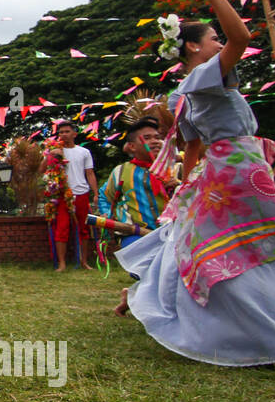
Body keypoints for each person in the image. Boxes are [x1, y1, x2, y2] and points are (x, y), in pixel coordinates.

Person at [116, 0, 275, 366]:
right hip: (241, 175)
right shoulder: (207, 76)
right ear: (192, 46)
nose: (221, 43)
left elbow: (191, 146)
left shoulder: (183, 93)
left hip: (226, 175)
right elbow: (241, 38)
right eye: (213, 39)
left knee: (223, 251)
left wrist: (184, 182)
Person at [96, 117, 180, 315]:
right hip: (136, 235)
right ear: (132, 147)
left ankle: (130, 298)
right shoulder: (122, 171)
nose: (155, 141)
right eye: (147, 137)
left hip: (172, 233)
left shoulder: (175, 167)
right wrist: (111, 218)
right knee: (148, 270)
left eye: (158, 137)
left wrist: (178, 186)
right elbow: (105, 197)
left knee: (171, 274)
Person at [48, 120, 99, 270]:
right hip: (62, 194)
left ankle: (84, 261)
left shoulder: (84, 152)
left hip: (82, 193)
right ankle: (62, 263)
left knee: (84, 228)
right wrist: (50, 155)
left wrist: (95, 193)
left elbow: (89, 173)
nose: (63, 134)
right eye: (61, 132)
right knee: (62, 228)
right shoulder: (54, 150)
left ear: (74, 134)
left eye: (67, 131)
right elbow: (42, 169)